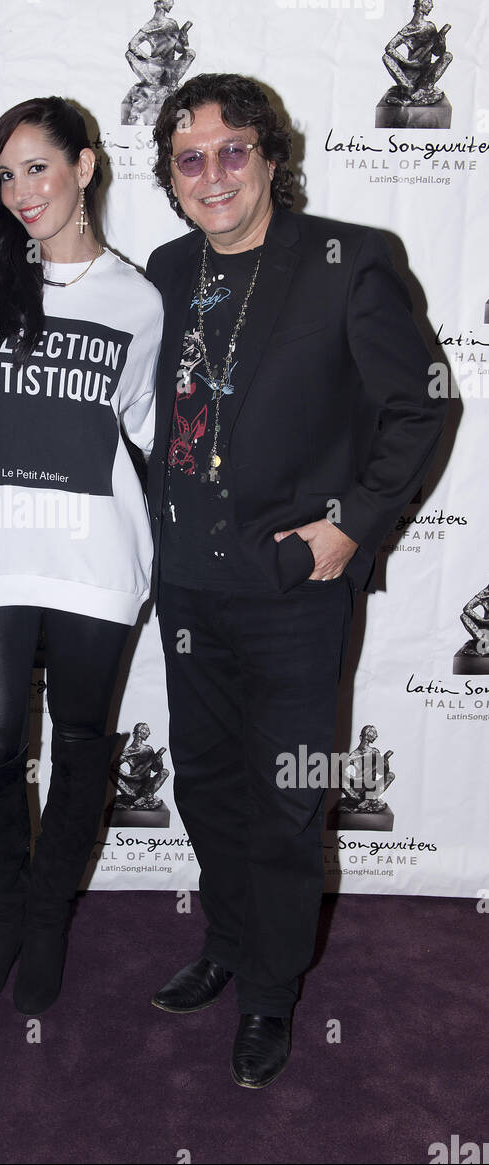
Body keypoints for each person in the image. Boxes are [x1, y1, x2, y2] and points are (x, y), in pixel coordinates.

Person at [145, 72, 446, 1087]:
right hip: (186, 584)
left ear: (272, 156)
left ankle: (271, 994)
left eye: (234, 150)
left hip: (292, 586)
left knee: (281, 800)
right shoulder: (164, 267)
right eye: (190, 157)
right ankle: (228, 941)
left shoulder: (348, 260)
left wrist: (346, 530)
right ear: (169, 177)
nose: (213, 173)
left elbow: (421, 408)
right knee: (204, 784)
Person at [0, 96, 163, 1014]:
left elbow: (151, 439)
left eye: (37, 166)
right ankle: (5, 911)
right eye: (4, 174)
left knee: (79, 746)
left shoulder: (140, 300)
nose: (20, 190)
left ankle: (47, 920)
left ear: (85, 165)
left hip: (96, 559)